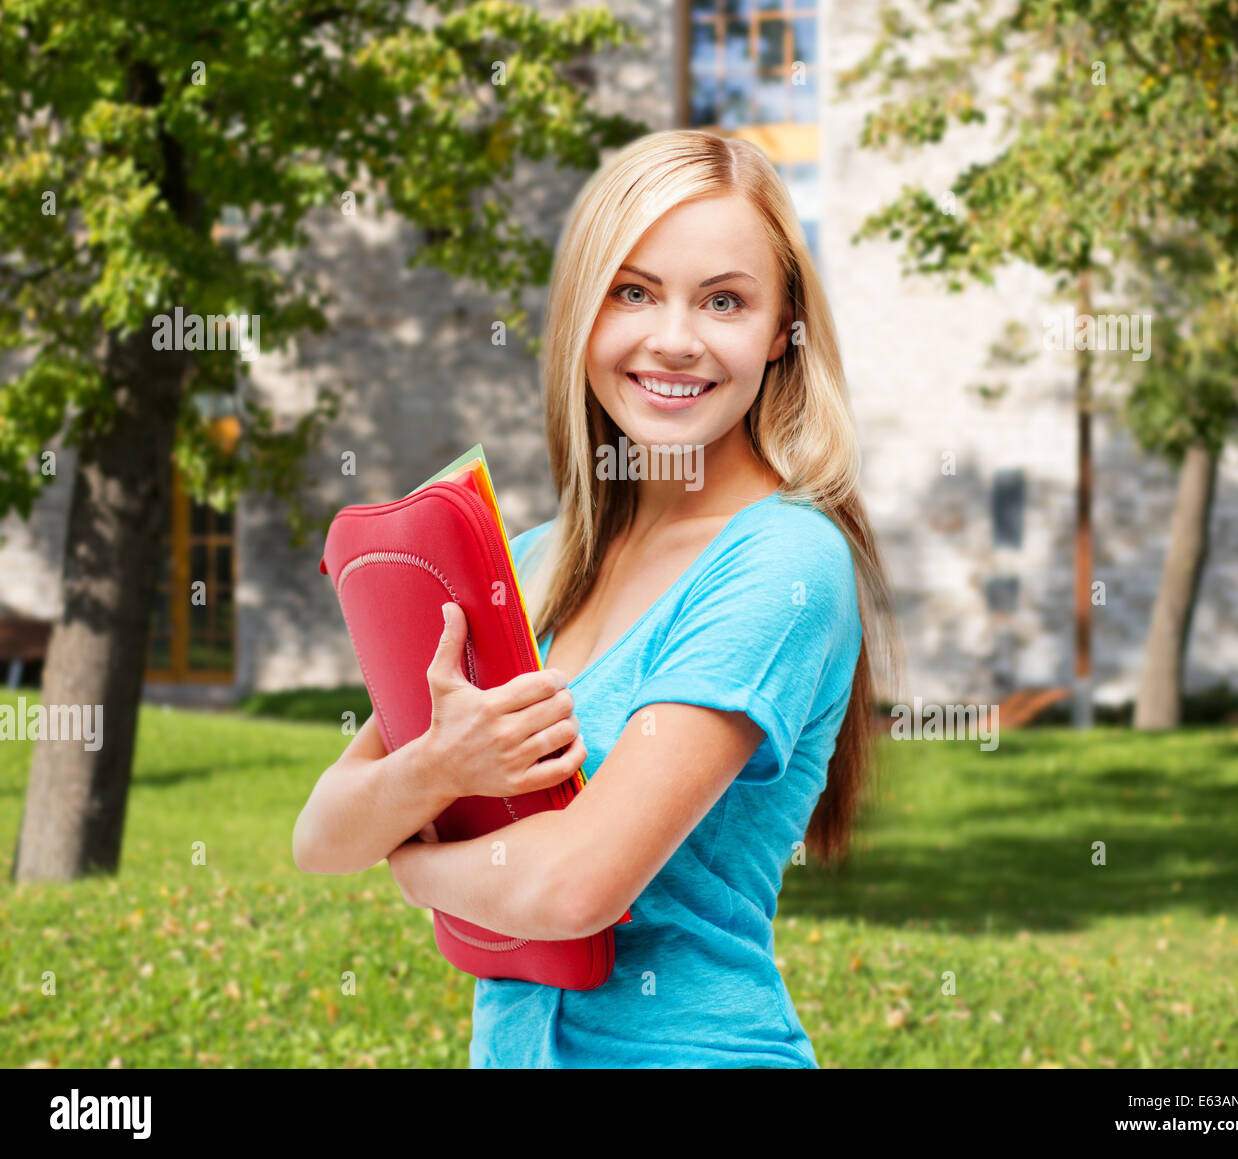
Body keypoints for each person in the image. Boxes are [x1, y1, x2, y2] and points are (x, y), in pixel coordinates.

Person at [294, 128, 899, 1068]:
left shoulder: (785, 561)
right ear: (584, 312)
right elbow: (323, 833)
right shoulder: (528, 562)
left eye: (725, 300)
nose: (673, 338)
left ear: (783, 332)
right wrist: (438, 766)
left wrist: (412, 867)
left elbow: (580, 885)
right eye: (633, 291)